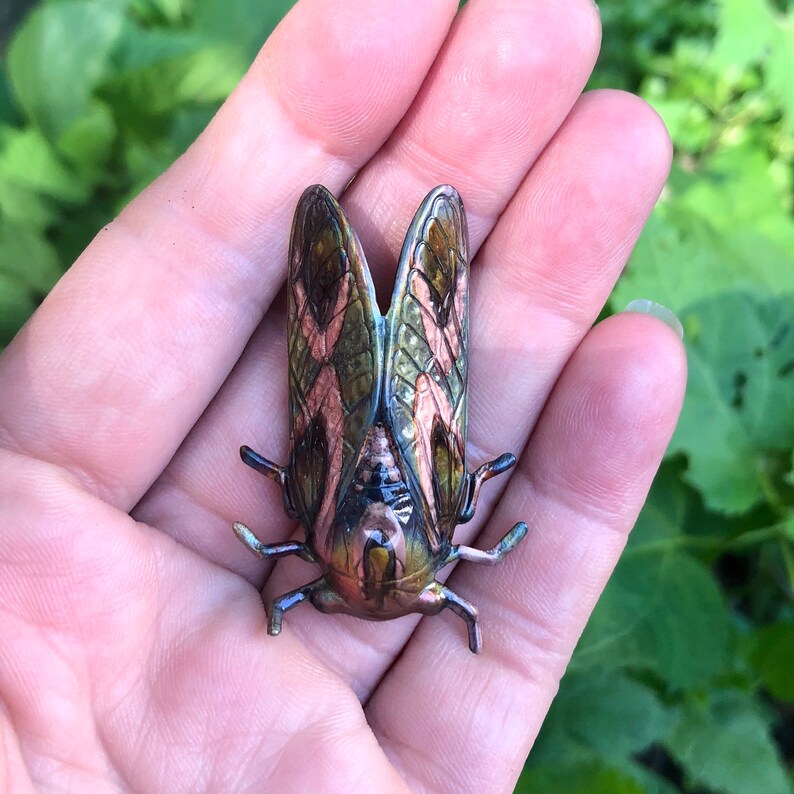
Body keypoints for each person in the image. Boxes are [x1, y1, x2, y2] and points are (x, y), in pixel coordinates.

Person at [0, 0, 686, 790]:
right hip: (409, 439)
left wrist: (303, 557)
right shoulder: (397, 538)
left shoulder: (346, 538)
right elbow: (465, 533)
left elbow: (373, 537)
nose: (381, 567)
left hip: (349, 423)